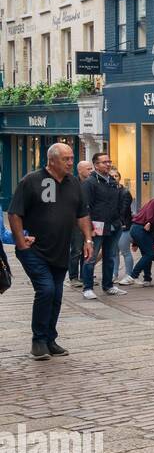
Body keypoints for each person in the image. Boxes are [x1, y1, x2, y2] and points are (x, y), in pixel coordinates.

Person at [8, 143, 92, 360]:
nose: (71, 163)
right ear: (52, 160)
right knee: (46, 290)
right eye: (66, 159)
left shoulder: (74, 183)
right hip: (34, 250)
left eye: (72, 158)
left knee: (56, 295)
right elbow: (15, 213)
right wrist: (20, 242)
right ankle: (38, 341)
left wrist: (88, 239)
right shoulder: (31, 181)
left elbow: (82, 214)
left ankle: (49, 339)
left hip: (60, 251)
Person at [80, 152, 125, 299]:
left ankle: (108, 285)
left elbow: (119, 202)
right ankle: (87, 287)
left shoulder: (112, 181)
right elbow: (85, 207)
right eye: (104, 162)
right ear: (96, 165)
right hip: (96, 227)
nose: (108, 164)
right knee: (91, 257)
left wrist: (119, 221)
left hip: (113, 225)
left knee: (110, 256)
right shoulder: (90, 183)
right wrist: (89, 228)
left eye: (109, 161)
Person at [128, 197, 154, 286]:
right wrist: (149, 222)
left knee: (147, 254)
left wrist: (135, 243)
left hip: (137, 229)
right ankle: (133, 275)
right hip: (140, 230)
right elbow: (150, 213)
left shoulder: (150, 207)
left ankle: (147, 279)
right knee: (150, 254)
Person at [68, 159, 93, 284]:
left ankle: (85, 276)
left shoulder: (93, 183)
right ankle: (73, 277)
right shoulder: (73, 183)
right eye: (88, 169)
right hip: (76, 222)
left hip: (89, 221)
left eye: (91, 168)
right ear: (80, 170)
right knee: (76, 250)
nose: (91, 171)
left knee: (87, 249)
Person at [110, 169, 135, 285]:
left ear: (119, 177)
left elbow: (123, 211)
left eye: (116, 175)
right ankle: (114, 275)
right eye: (112, 176)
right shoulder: (108, 190)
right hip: (112, 226)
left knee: (125, 251)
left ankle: (129, 275)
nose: (114, 177)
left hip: (123, 225)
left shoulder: (125, 192)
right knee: (114, 253)